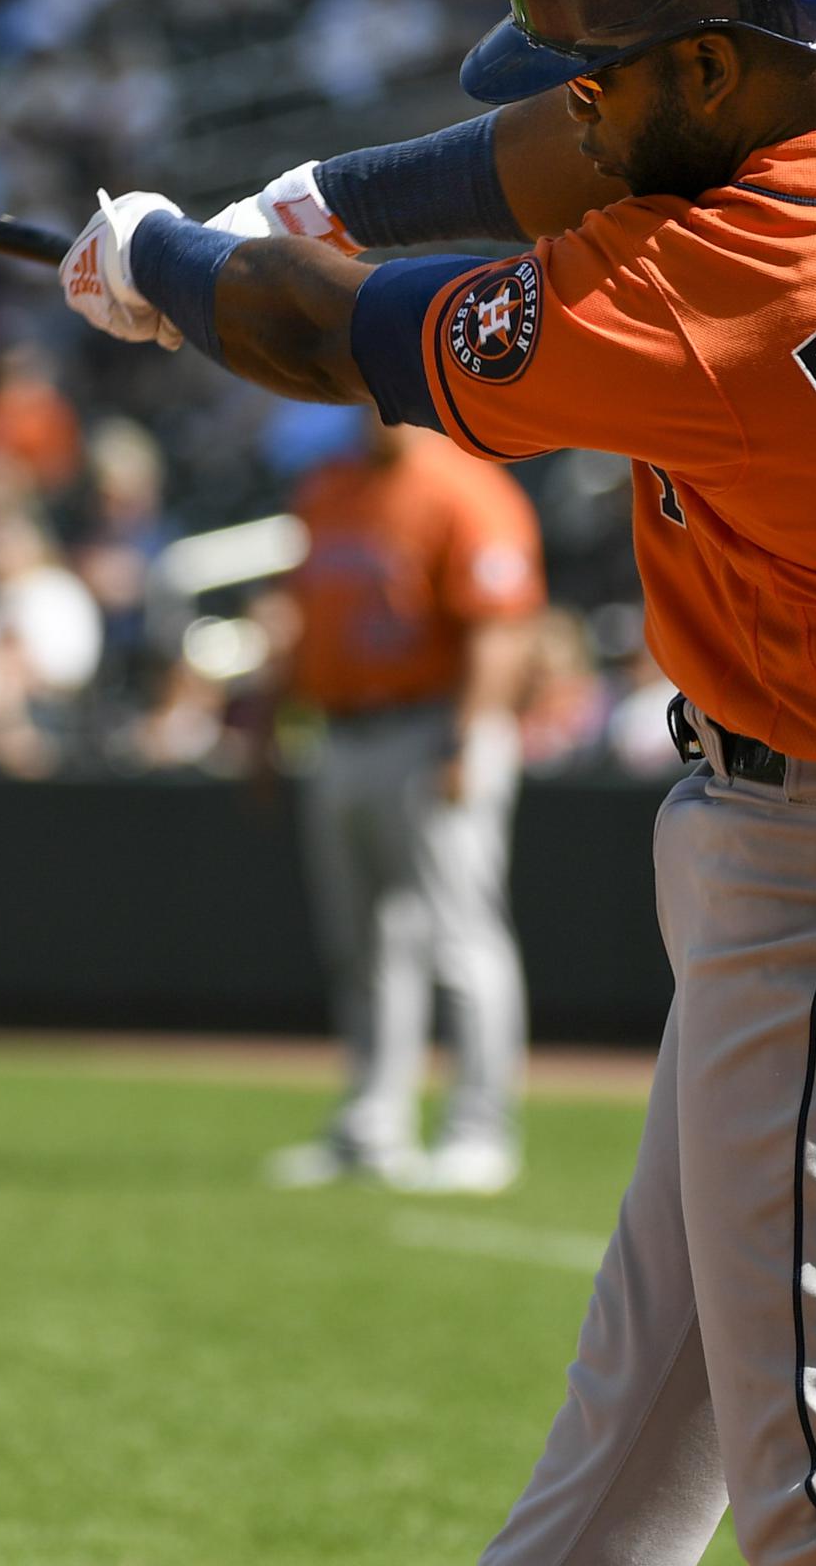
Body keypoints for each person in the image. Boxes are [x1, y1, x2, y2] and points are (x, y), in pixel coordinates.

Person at [59, 0, 816, 1566]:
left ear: (725, 66)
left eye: (608, 68)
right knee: (641, 1420)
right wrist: (324, 196)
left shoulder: (723, 293)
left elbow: (322, 336)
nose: (575, 96)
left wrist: (164, 267)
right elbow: (593, 147)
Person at [270, 413, 544, 1196]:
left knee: (462, 939)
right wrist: (271, 716)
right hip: (342, 730)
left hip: (435, 727)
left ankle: (480, 1131)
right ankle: (372, 1124)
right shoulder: (329, 483)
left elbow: (503, 626)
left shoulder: (465, 485)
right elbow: (302, 607)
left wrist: (468, 739)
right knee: (363, 943)